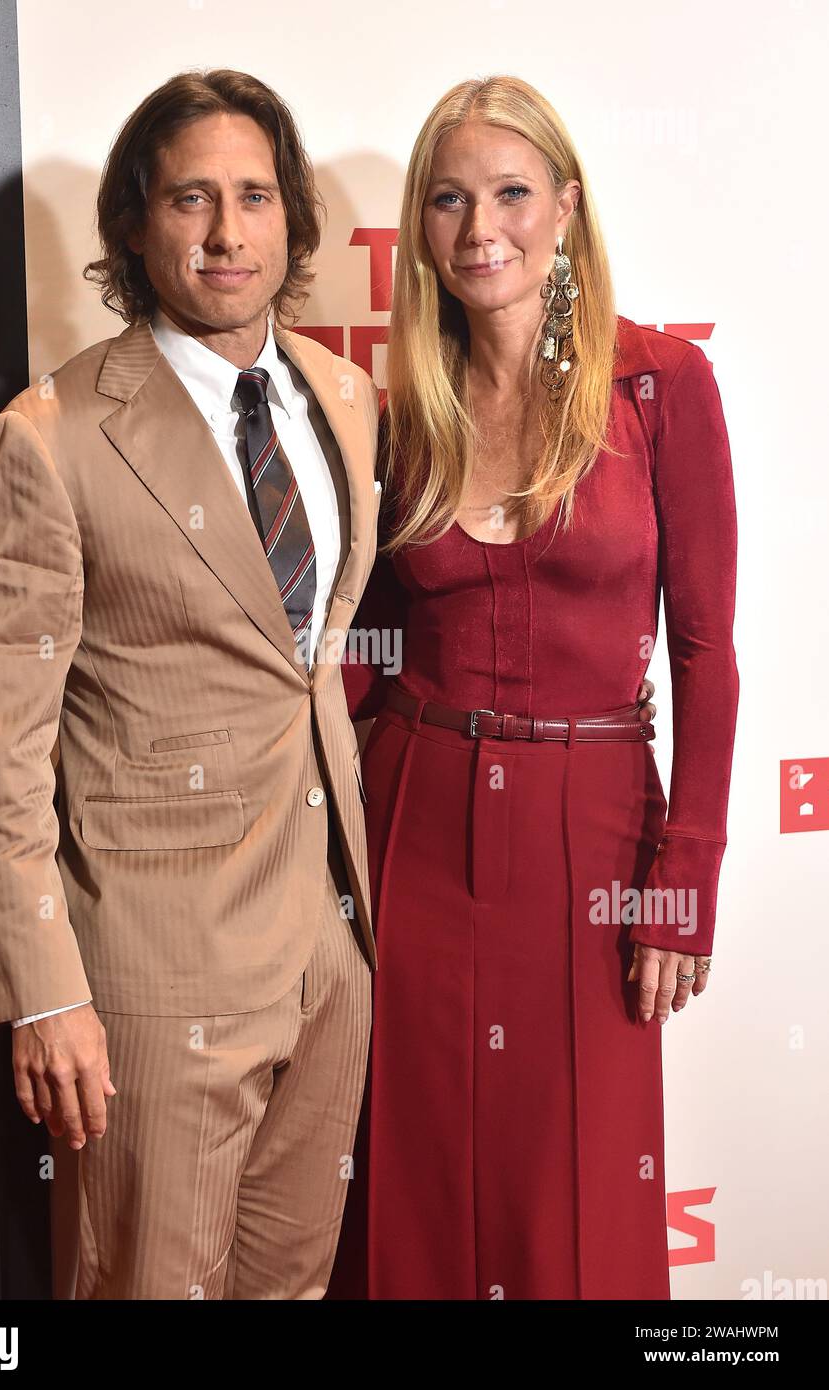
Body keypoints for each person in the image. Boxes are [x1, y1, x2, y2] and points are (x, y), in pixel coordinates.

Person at [0, 69, 382, 1300]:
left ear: (292, 218)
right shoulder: (46, 440)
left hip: (329, 953)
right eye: (191, 199)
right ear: (136, 224)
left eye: (254, 197)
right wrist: (44, 998)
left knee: (288, 1286)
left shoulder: (344, 404)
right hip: (147, 978)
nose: (228, 233)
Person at [329, 75, 738, 1300]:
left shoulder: (659, 386)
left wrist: (686, 879)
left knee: (575, 1190)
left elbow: (706, 651)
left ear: (564, 208)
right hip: (418, 818)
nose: (477, 229)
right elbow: (368, 646)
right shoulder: (402, 414)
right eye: (447, 200)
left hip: (596, 835)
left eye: (509, 193)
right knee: (408, 1165)